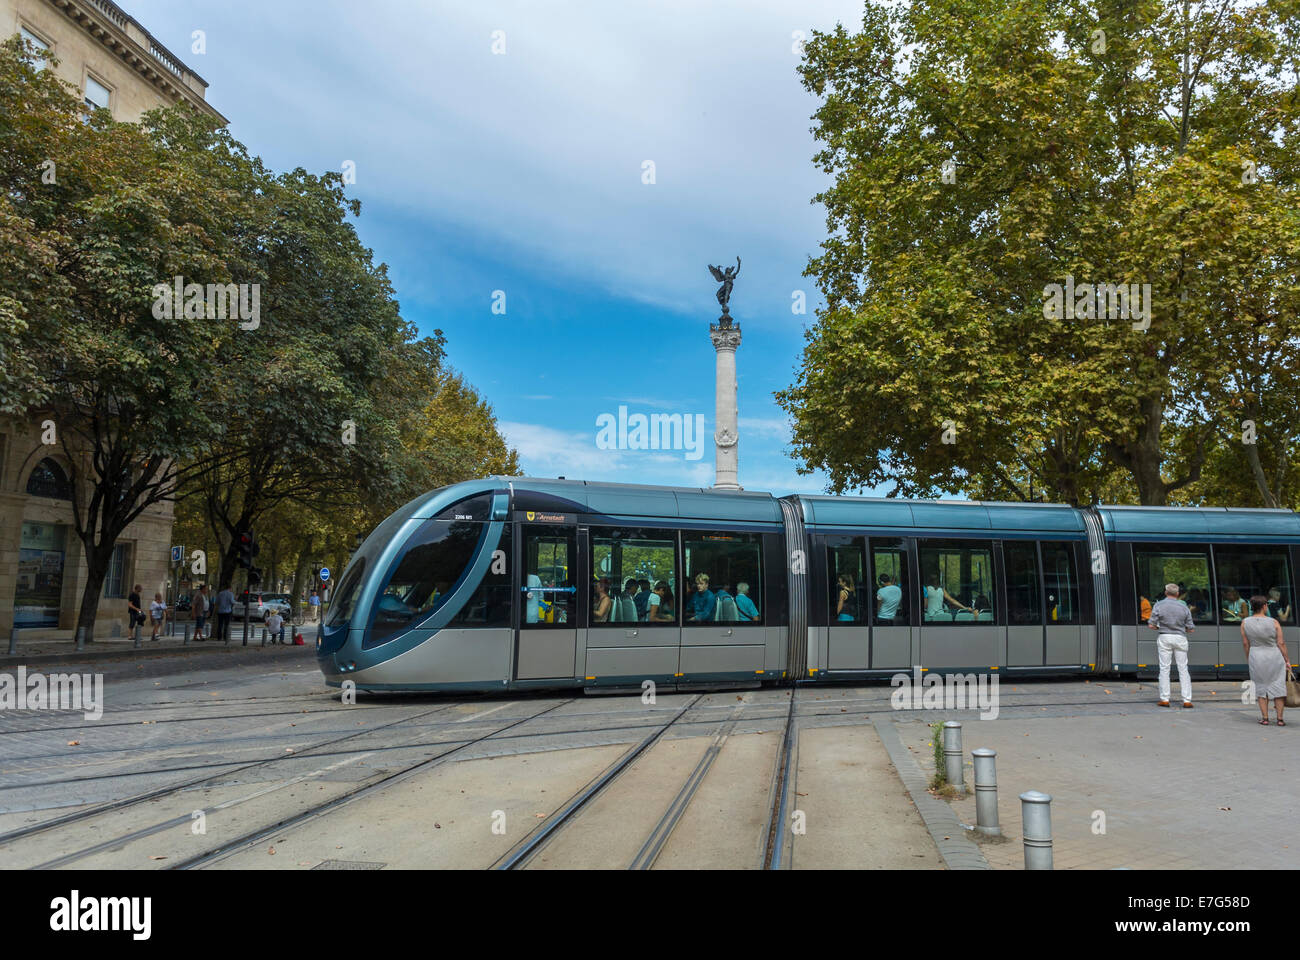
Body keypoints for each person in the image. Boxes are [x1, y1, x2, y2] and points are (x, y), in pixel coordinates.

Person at [1243, 595, 1288, 725]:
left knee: (1261, 687)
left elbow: (1246, 644)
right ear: (1264, 606)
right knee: (1278, 685)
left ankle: (1265, 718)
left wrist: (1249, 657)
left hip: (1256, 655)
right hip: (1274, 655)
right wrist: (1287, 660)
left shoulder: (1245, 622)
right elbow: (1281, 643)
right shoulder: (1274, 622)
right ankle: (1280, 719)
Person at [1149, 582, 1195, 708]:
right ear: (1178, 594)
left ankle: (1165, 699)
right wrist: (1180, 629)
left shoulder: (1158, 605)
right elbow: (1191, 629)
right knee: (1183, 669)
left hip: (1164, 637)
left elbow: (1151, 625)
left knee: (1164, 668)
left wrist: (1161, 627)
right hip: (1180, 638)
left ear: (1165, 593)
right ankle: (1187, 700)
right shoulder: (1184, 607)